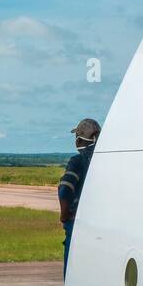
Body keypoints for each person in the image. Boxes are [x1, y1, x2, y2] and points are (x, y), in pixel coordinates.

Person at [58, 118, 100, 275]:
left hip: (76, 222)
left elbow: (65, 190)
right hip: (98, 224)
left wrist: (64, 215)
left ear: (80, 139)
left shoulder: (77, 161)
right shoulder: (103, 160)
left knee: (71, 273)